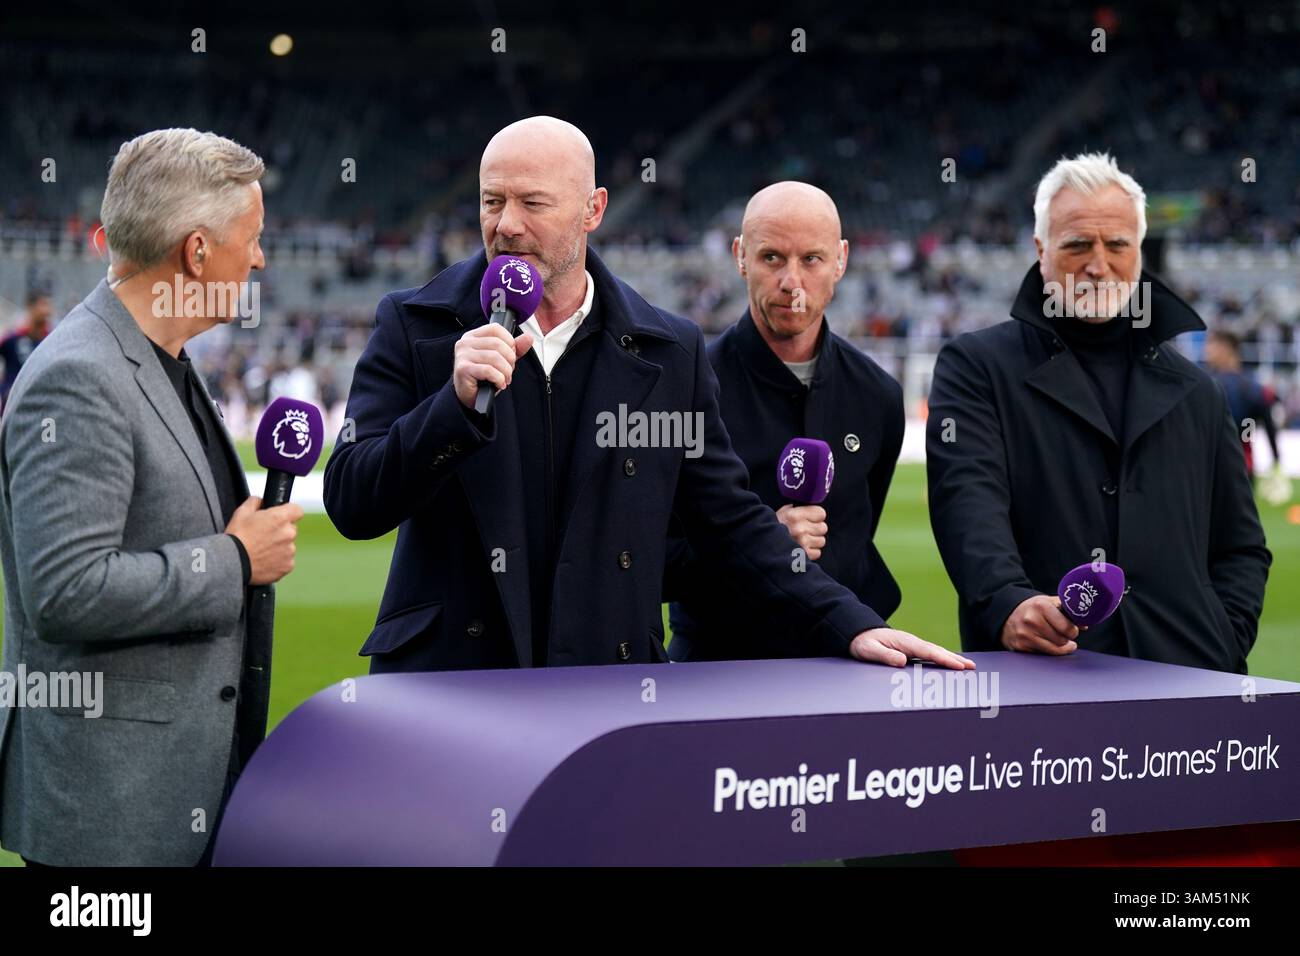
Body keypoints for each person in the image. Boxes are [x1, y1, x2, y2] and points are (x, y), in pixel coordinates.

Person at [324, 116, 971, 674]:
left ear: (593, 210)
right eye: (492, 202)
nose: (507, 225)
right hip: (452, 683)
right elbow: (353, 499)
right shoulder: (415, 325)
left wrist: (850, 622)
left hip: (607, 684)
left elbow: (731, 519)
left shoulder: (667, 350)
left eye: (533, 203)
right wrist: (452, 409)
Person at [0, 128, 304, 866]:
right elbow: (67, 591)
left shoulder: (161, 358)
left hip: (167, 801)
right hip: (109, 823)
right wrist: (234, 559)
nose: (260, 258)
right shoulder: (81, 377)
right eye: (252, 238)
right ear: (197, 253)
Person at [927, 152, 1270, 673]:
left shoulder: (1199, 390)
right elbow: (967, 508)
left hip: (1190, 686)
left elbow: (1241, 547)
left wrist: (1224, 638)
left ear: (1139, 251)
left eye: (1117, 245)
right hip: (1041, 676)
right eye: (1077, 244)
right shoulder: (977, 367)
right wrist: (1007, 602)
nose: (1098, 264)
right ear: (1041, 251)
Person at [665, 182, 904, 661]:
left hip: (843, 664)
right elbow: (651, 561)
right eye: (771, 258)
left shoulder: (878, 396)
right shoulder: (685, 389)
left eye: (811, 259)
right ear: (740, 256)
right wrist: (761, 543)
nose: (791, 281)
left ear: (840, 261)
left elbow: (860, 535)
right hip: (715, 671)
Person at [1203, 329, 1285, 483]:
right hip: (1242, 465)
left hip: (1215, 467)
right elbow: (1260, 424)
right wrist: (1275, 459)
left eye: (1211, 344)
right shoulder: (1253, 386)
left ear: (1225, 347)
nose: (1206, 349)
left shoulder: (1212, 384)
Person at [0, 290, 54, 412]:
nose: (47, 311)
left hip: (42, 406)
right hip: (12, 406)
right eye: (43, 304)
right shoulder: (13, 339)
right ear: (30, 307)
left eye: (49, 305)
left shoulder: (53, 340)